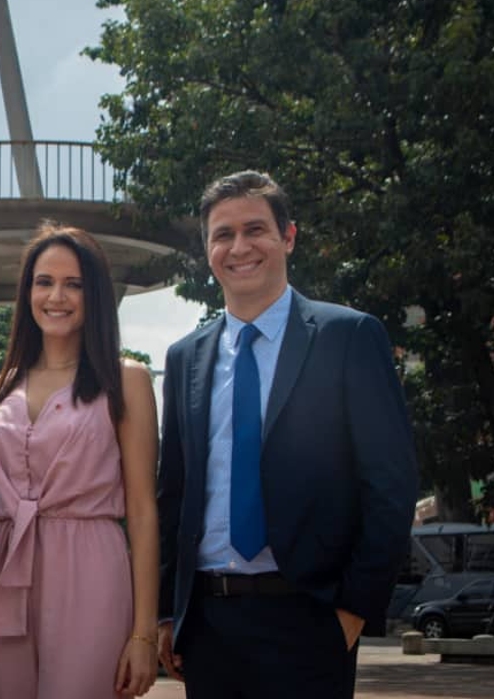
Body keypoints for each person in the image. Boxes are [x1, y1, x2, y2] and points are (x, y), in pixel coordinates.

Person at [156, 171, 419, 698]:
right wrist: (169, 611)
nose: (239, 247)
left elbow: (390, 484)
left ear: (288, 236)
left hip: (311, 617)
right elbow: (175, 493)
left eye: (256, 229)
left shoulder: (349, 336)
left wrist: (354, 607)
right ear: (207, 250)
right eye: (222, 235)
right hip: (209, 623)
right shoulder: (185, 357)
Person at [0, 223, 160, 698]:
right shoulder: (4, 384)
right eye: (44, 282)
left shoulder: (126, 380)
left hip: (90, 571)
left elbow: (143, 510)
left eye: (74, 283)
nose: (56, 296)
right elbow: (1, 511)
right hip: (3, 575)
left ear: (95, 294)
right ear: (27, 293)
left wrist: (144, 632)